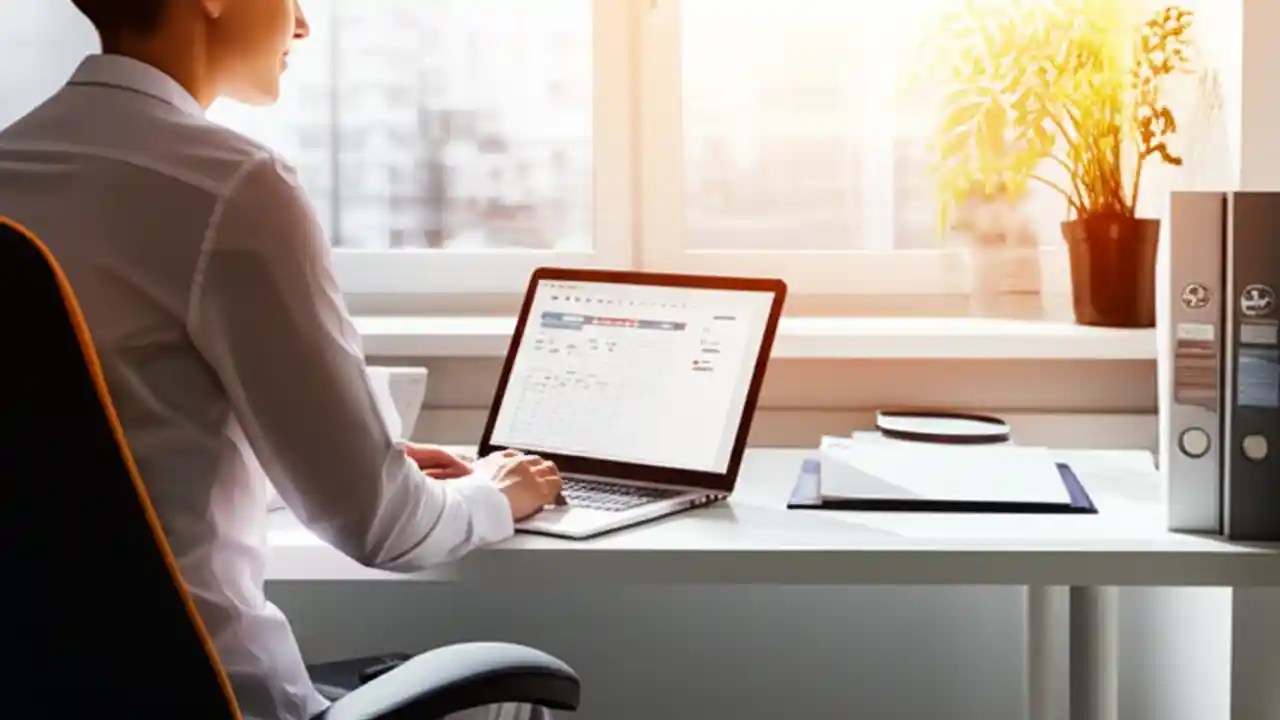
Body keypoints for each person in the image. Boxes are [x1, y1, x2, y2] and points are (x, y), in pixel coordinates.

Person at [0, 1, 564, 718]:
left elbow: (89, 468)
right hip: (225, 698)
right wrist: (495, 495)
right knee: (512, 700)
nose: (302, 24)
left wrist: (299, 463)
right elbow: (382, 527)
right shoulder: (230, 186)